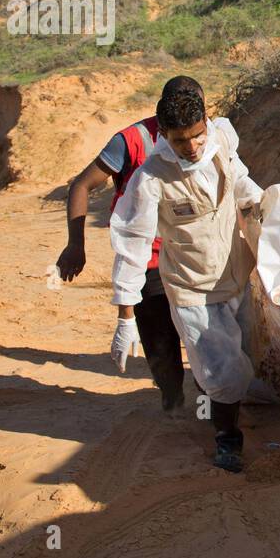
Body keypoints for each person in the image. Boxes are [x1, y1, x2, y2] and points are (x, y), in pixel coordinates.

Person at [109, 81, 265, 473]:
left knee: (244, 356)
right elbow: (133, 242)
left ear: (206, 123)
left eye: (197, 136)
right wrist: (125, 315)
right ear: (164, 136)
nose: (192, 147)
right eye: (180, 141)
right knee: (223, 372)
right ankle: (228, 438)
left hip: (237, 274)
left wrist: (264, 205)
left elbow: (240, 180)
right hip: (192, 289)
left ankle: (214, 396)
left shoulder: (223, 138)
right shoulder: (150, 179)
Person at [56, 76, 203, 414]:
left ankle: (214, 412)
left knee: (207, 341)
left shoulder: (209, 137)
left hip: (198, 260)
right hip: (148, 262)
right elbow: (82, 185)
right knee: (160, 343)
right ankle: (173, 401)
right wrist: (75, 244)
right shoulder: (132, 140)